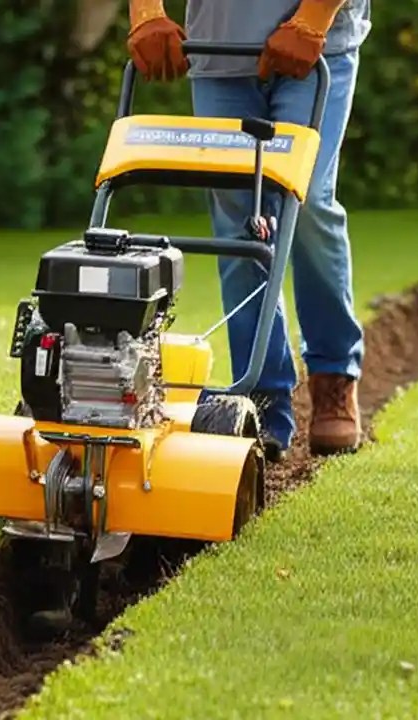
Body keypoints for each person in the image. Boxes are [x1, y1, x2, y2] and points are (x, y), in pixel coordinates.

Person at [127, 0, 370, 461]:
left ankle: (334, 376)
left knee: (308, 202)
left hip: (317, 48)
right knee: (239, 226)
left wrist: (313, 19)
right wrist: (146, 13)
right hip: (220, 51)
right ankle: (263, 400)